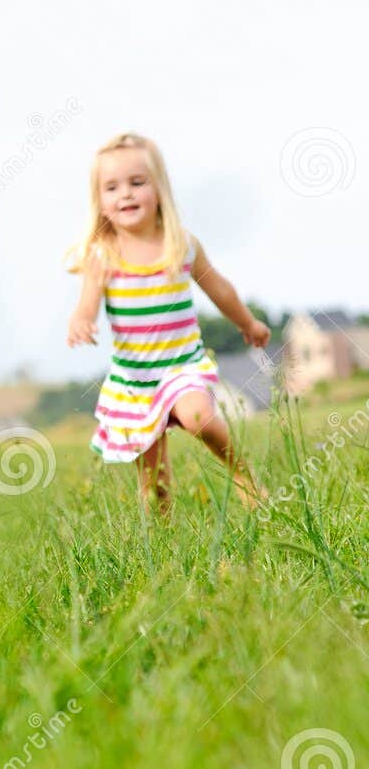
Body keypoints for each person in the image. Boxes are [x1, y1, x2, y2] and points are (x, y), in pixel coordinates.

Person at [66, 132, 268, 511]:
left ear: (159, 188)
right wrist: (80, 321)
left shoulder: (180, 245)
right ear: (100, 201)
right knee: (153, 481)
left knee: (198, 417)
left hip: (182, 365)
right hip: (135, 380)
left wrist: (248, 323)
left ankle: (242, 473)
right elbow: (87, 305)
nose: (125, 194)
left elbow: (219, 289)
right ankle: (162, 534)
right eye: (112, 187)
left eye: (137, 182)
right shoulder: (103, 255)